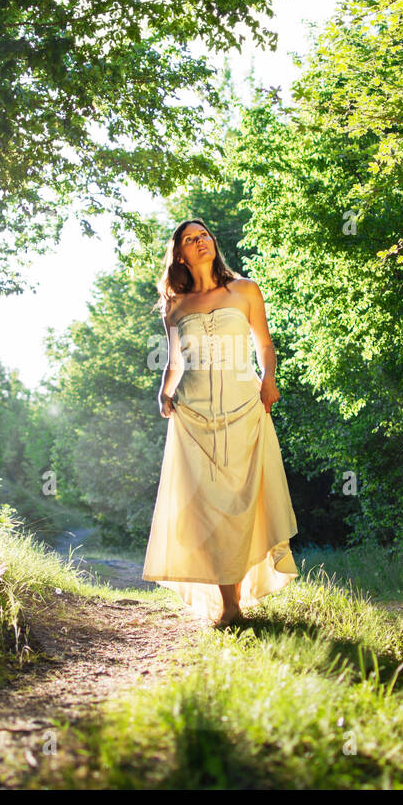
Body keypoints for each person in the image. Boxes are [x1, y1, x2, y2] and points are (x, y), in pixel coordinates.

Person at [141, 217, 299, 627]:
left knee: (242, 501)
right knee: (206, 507)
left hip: (244, 407)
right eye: (191, 239)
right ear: (179, 253)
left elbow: (264, 344)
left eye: (205, 235)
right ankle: (229, 604)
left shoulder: (244, 289)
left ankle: (242, 590)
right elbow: (175, 360)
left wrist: (270, 381)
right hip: (194, 414)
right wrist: (164, 391)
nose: (201, 242)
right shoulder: (175, 305)